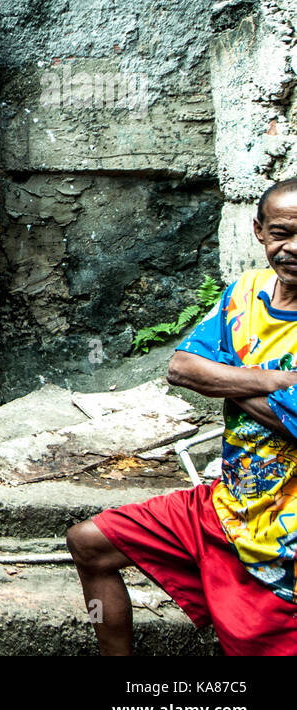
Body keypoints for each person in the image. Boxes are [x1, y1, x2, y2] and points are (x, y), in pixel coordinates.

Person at [67, 178, 297, 655]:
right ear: (258, 232)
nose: (292, 248)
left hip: (286, 527)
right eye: (281, 233)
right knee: (89, 542)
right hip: (224, 502)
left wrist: (229, 378)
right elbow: (182, 367)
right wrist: (277, 382)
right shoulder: (244, 294)